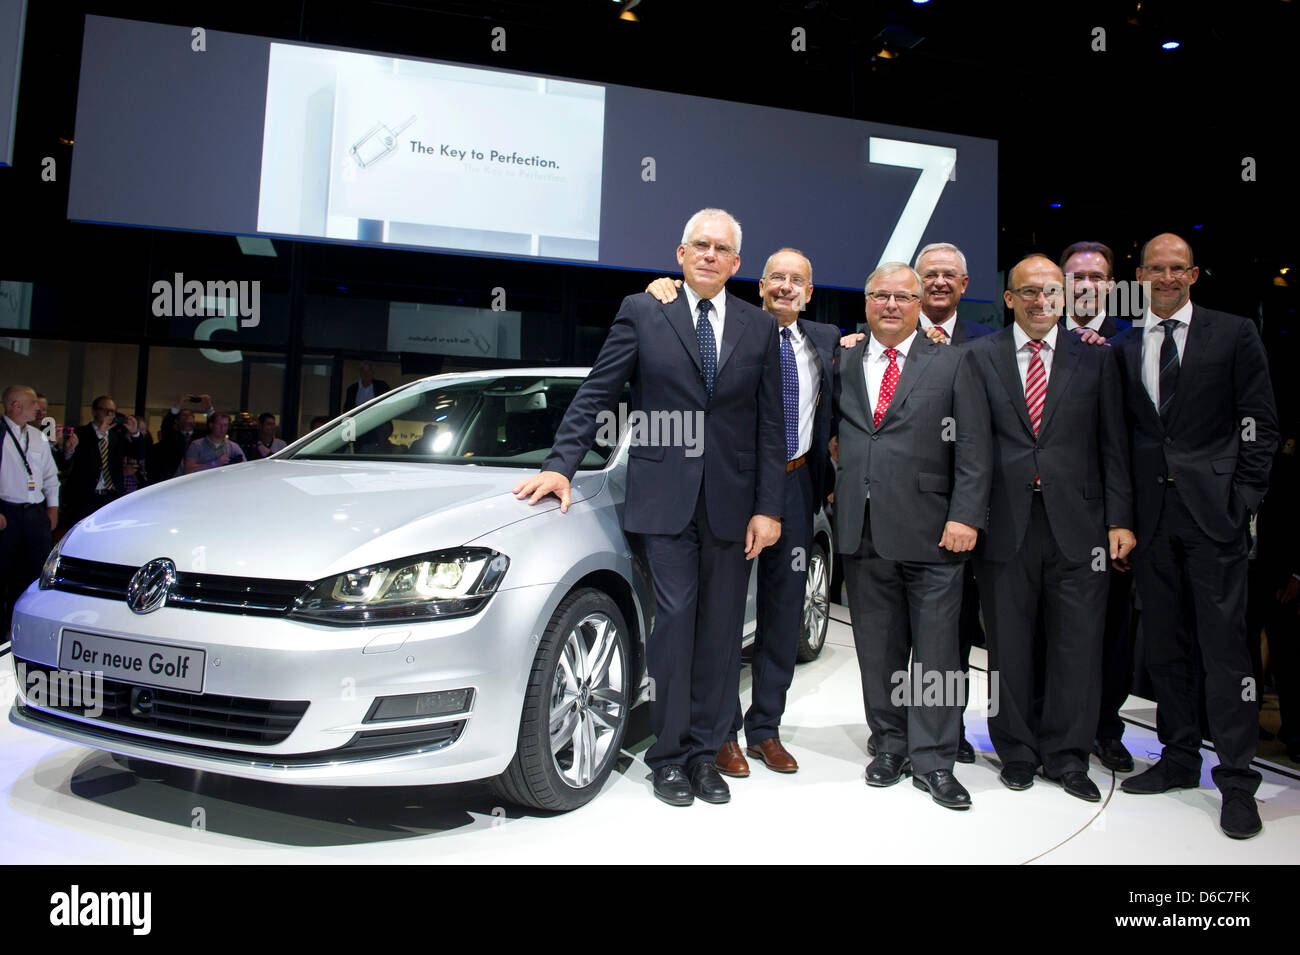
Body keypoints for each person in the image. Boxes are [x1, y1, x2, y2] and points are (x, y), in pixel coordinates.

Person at [513, 208, 785, 807]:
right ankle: (667, 755)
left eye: (722, 249)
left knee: (720, 635)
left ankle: (705, 753)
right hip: (664, 500)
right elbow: (597, 392)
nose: (710, 255)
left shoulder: (758, 328)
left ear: (737, 264)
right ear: (681, 254)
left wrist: (769, 507)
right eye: (700, 246)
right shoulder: (645, 310)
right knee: (675, 627)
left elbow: (771, 425)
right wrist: (559, 466)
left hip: (733, 505)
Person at [645, 247, 838, 776]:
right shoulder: (735, 329)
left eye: (797, 280)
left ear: (810, 293)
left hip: (795, 486)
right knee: (722, 617)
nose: (786, 286)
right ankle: (721, 730)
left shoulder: (826, 341)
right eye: (776, 277)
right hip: (728, 490)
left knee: (783, 611)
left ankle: (766, 728)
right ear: (758, 284)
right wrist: (664, 289)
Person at [1113, 233, 1279, 839]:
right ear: (1139, 274)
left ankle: (1237, 779)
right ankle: (1180, 758)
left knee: (1226, 652)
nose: (1165, 277)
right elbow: (1126, 436)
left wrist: (1246, 500)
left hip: (1216, 518)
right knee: (1165, 648)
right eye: (1155, 268)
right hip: (1153, 520)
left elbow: (1259, 420)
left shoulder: (1233, 333)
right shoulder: (1125, 346)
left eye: (1176, 268)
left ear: (1194, 274)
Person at [966, 255, 1134, 802]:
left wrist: (1119, 519)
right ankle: (1015, 749)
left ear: (1063, 298)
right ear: (1009, 298)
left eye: (1051, 292)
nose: (1042, 301)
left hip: (1081, 527)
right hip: (1005, 522)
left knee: (1078, 647)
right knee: (1007, 646)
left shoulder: (1096, 359)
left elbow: (1115, 446)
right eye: (1029, 292)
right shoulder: (981, 356)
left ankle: (1067, 756)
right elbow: (972, 446)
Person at [834, 262, 990, 810]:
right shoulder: (845, 358)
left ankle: (935, 759)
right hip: (864, 528)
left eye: (904, 296)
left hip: (935, 534)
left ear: (921, 302)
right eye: (881, 295)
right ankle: (890, 745)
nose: (892, 305)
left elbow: (974, 446)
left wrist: (967, 515)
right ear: (867, 300)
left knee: (938, 656)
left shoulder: (954, 362)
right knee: (877, 651)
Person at [0, 385, 60, 643]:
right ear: (16, 406)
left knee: (33, 575)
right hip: (6, 513)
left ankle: (20, 630)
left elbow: (50, 476)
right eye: (33, 403)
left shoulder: (38, 436)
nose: (39, 408)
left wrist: (53, 507)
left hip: (35, 514)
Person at [58, 395, 147, 529]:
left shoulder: (117, 436)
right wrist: (98, 435)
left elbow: (139, 454)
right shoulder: (80, 433)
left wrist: (135, 433)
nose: (109, 414)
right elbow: (74, 459)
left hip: (111, 494)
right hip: (85, 496)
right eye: (104, 410)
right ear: (94, 411)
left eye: (112, 411)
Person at [1060, 241, 1132, 338]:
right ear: (1062, 283)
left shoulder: (1132, 336)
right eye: (1077, 277)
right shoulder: (1047, 334)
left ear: (1110, 285)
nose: (1086, 286)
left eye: (1096, 277)